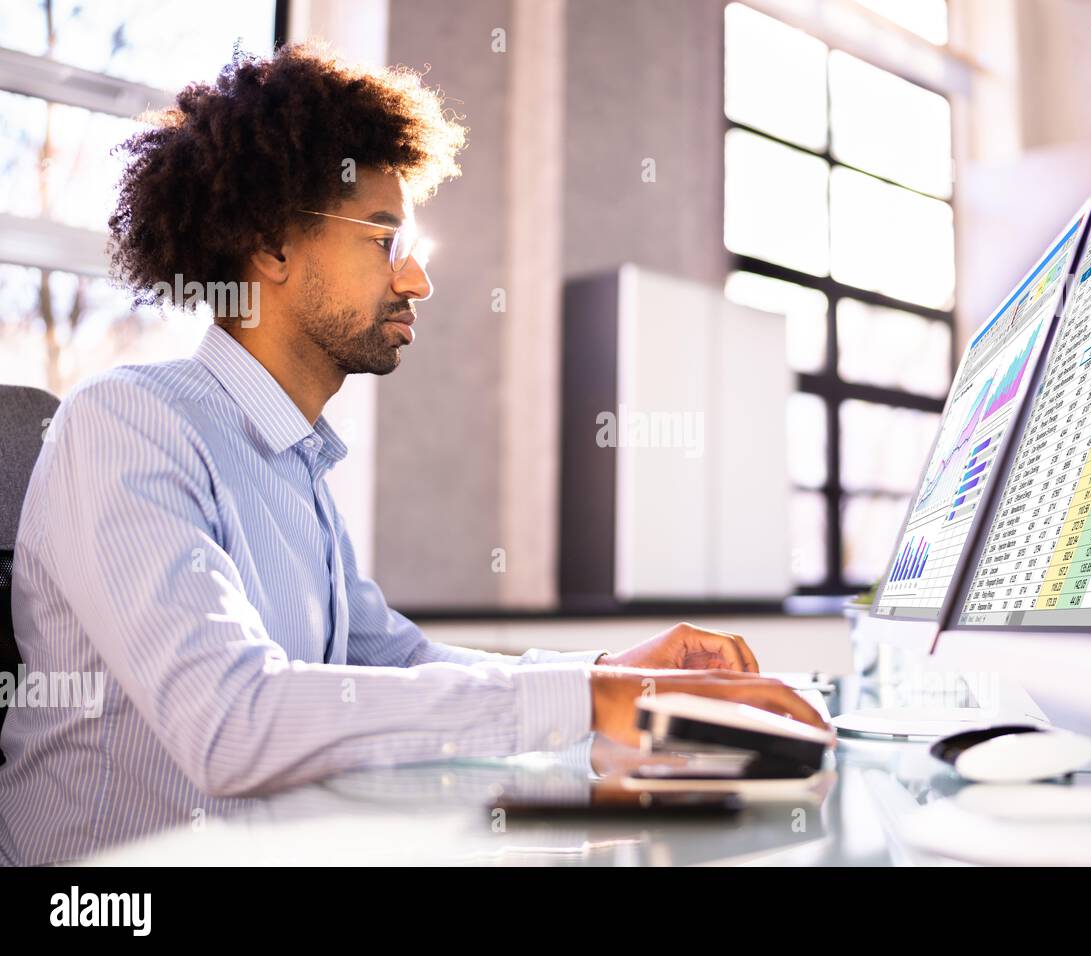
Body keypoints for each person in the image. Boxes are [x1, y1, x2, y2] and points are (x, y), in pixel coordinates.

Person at [0, 42, 825, 866]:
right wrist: (594, 698)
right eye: (383, 239)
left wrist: (611, 669)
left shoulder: (296, 464)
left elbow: (398, 661)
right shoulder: (127, 425)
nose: (417, 281)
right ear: (271, 247)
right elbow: (231, 720)